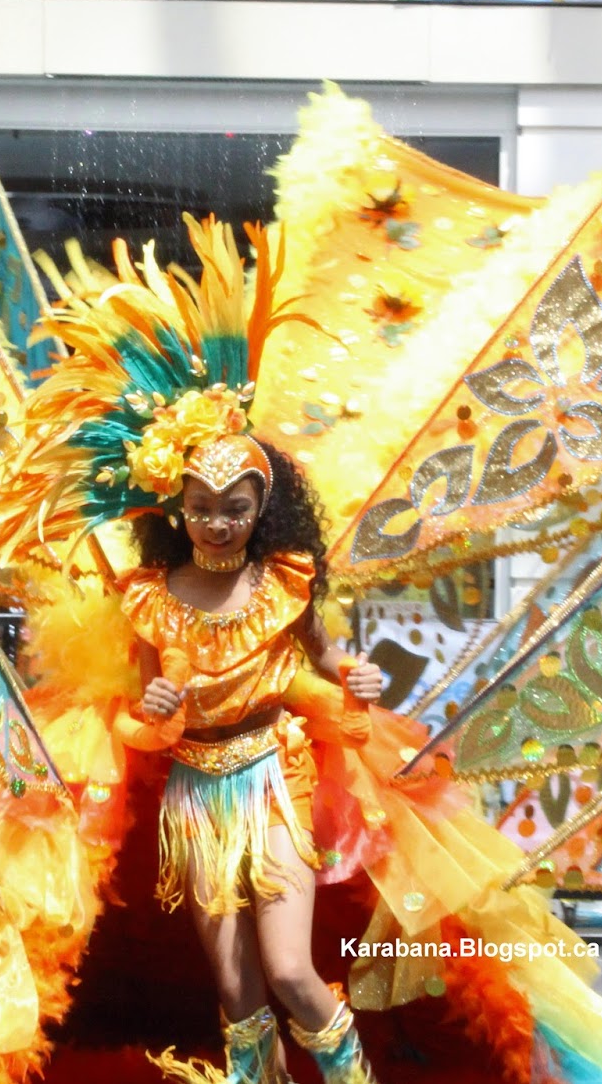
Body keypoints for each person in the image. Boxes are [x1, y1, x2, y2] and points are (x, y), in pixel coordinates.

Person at [123, 432, 384, 1082]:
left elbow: (329, 658)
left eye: (235, 508)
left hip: (273, 773)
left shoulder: (283, 582)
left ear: (262, 507)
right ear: (177, 508)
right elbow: (146, 711)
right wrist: (155, 702)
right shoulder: (150, 597)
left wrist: (359, 673)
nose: (218, 524)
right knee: (238, 988)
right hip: (195, 790)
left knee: (291, 970)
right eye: (202, 507)